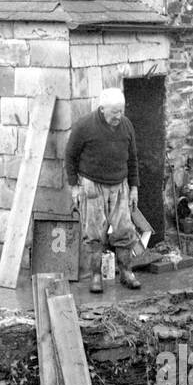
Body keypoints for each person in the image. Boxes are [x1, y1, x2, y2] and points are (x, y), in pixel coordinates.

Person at [65, 88, 142, 294]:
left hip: (120, 185)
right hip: (92, 186)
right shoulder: (84, 126)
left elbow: (133, 158)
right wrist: (74, 186)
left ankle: (126, 272)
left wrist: (134, 188)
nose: (119, 116)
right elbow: (70, 157)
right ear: (102, 109)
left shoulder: (126, 126)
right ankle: (96, 276)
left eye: (121, 111)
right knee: (93, 233)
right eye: (114, 112)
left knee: (125, 230)